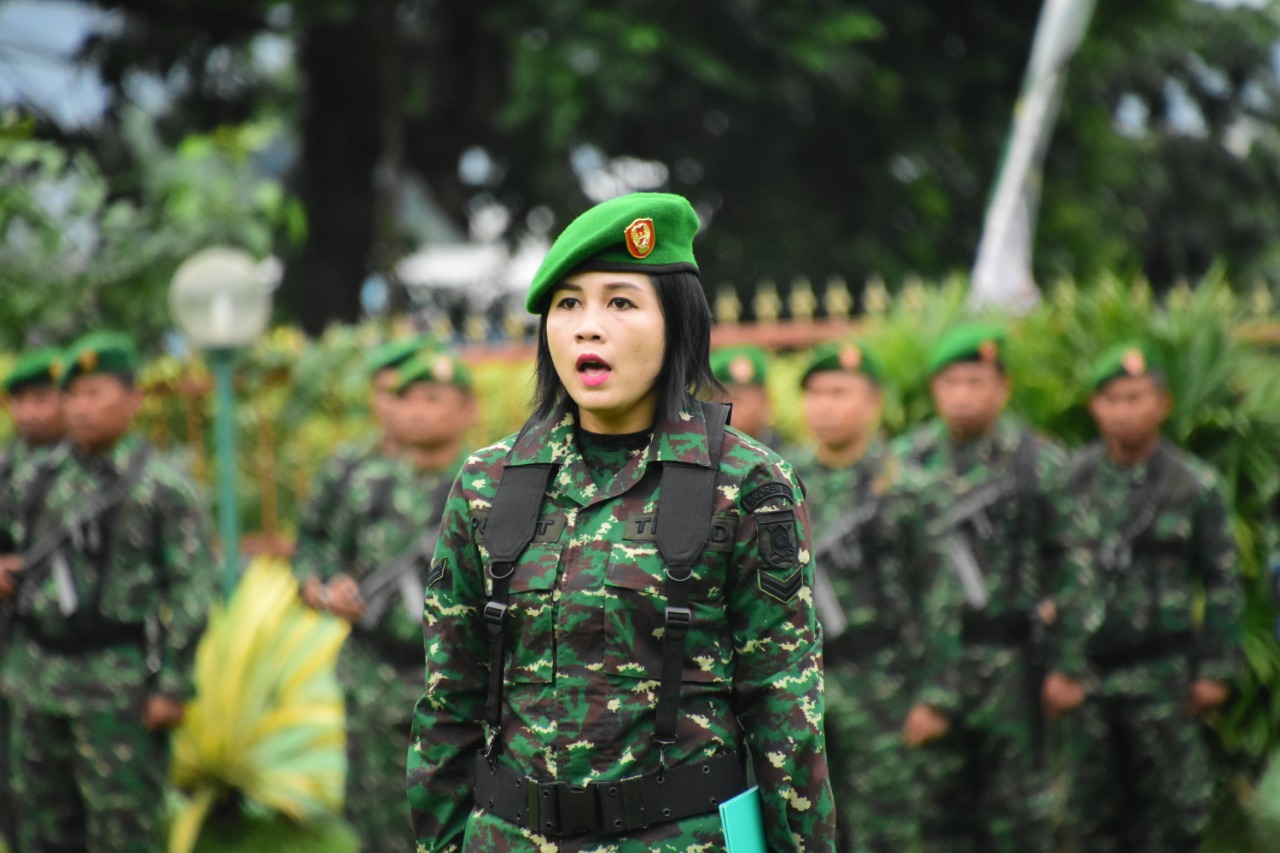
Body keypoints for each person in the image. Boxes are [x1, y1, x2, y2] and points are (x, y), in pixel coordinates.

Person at [406, 192, 835, 852]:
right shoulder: (490, 483)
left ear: (678, 324)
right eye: (568, 303)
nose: (587, 326)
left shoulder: (746, 485)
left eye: (621, 302)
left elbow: (784, 712)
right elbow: (449, 699)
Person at [0, 331, 217, 852]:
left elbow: (191, 589)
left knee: (124, 831)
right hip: (35, 679)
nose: (82, 407)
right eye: (72, 395)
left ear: (133, 398)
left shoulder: (162, 486)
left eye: (96, 393)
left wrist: (172, 685)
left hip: (118, 683)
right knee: (40, 828)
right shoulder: (34, 478)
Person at [893, 323, 1089, 853]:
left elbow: (1075, 562)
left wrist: (1068, 666)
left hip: (1013, 666)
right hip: (934, 665)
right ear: (934, 389)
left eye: (977, 382)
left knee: (1019, 819)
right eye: (951, 382)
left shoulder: (1039, 461)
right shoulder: (905, 463)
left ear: (1003, 387)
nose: (963, 395)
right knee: (937, 817)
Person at [1059, 343, 1241, 852]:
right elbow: (1048, 573)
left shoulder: (1195, 485)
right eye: (1113, 398)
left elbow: (1223, 579)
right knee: (1093, 823)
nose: (1124, 410)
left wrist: (1215, 669)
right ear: (1095, 406)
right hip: (1089, 678)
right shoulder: (1071, 482)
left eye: (1137, 397)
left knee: (1176, 820)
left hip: (1165, 674)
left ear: (1163, 403)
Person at [295, 345, 476, 852]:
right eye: (407, 398)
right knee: (376, 822)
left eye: (433, 398)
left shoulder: (492, 484)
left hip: (459, 686)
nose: (415, 411)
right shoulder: (363, 483)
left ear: (468, 408)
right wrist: (329, 588)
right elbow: (315, 552)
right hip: (374, 677)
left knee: (462, 820)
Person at [793, 341, 942, 851]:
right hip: (802, 687)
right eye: (814, 393)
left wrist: (936, 694)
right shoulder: (779, 483)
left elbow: (937, 598)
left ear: (874, 402)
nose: (824, 405)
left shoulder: (907, 487)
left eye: (840, 392)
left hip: (885, 685)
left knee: (888, 831)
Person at [0, 345, 68, 849]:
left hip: (81, 657)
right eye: (17, 401)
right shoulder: (5, 473)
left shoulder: (98, 471)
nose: (29, 412)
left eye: (41, 398)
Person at [293, 334, 432, 576]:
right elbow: (310, 542)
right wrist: (324, 586)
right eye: (382, 392)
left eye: (401, 394)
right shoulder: (347, 465)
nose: (391, 405)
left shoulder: (463, 469)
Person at [710, 345, 784, 450]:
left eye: (737, 399)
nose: (725, 408)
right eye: (718, 399)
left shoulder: (785, 460)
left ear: (765, 402)